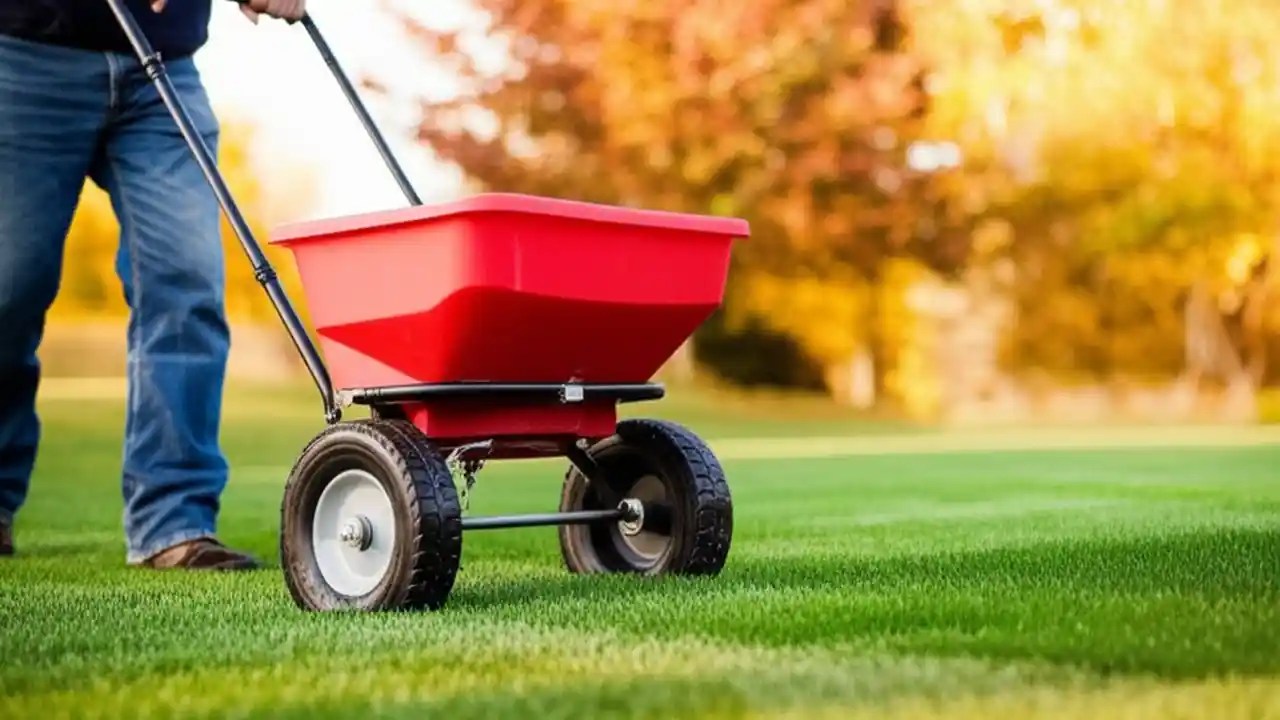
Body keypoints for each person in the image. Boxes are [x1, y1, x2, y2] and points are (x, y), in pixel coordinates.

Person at [0, 0, 305, 569]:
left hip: (163, 64)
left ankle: (174, 521)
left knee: (186, 279)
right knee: (8, 287)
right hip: (24, 54)